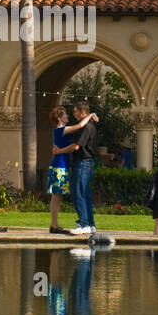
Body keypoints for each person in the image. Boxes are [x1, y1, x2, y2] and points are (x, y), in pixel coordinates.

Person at [48, 105, 97, 234]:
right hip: (59, 166)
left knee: (60, 196)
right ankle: (54, 225)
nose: (68, 115)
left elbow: (80, 128)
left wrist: (89, 115)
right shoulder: (61, 130)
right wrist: (91, 115)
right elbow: (80, 126)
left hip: (64, 165)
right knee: (57, 196)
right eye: (65, 114)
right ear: (59, 118)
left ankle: (56, 225)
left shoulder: (64, 130)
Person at [67, 100, 99, 236]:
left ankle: (84, 224)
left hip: (82, 163)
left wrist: (60, 150)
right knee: (85, 195)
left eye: (75, 111)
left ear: (83, 112)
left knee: (78, 193)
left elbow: (77, 146)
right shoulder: (88, 125)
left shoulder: (86, 128)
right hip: (86, 163)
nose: (74, 114)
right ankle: (90, 224)